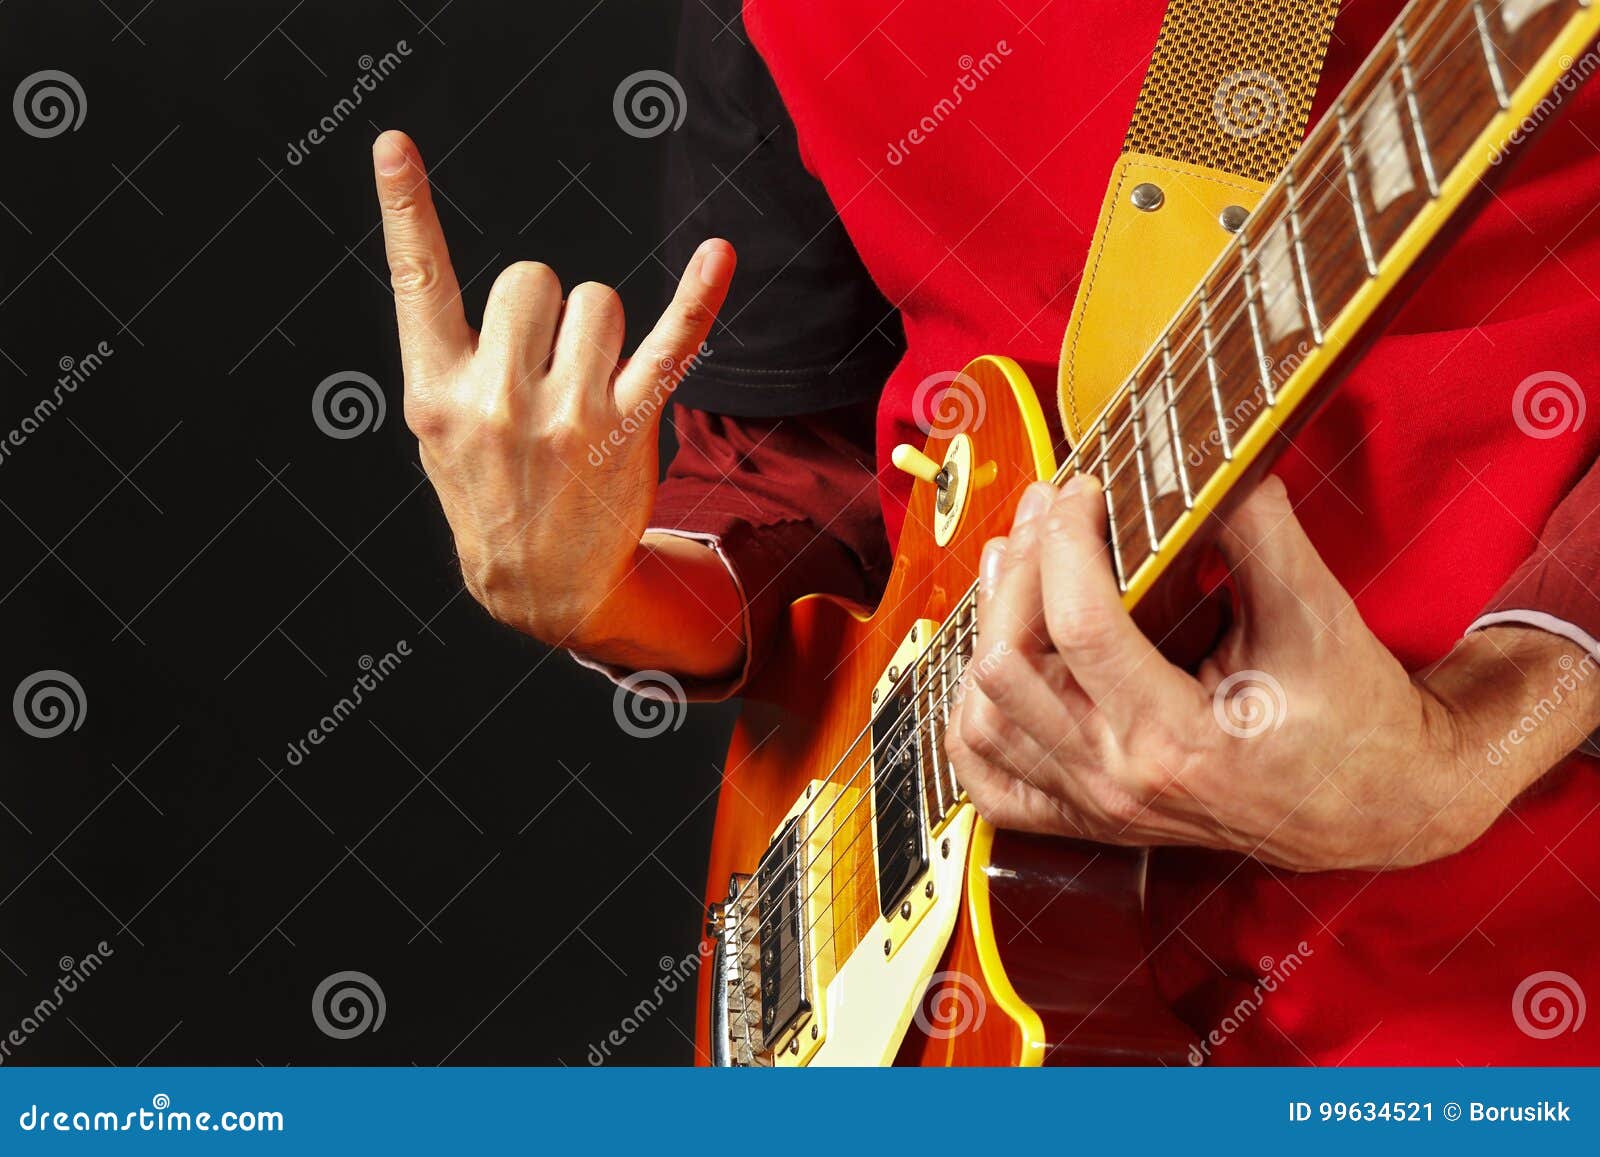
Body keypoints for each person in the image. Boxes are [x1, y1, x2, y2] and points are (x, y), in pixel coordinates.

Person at [374, 0, 1600, 1062]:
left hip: (1495, 976)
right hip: (972, 990)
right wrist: (600, 586)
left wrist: (1475, 742)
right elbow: (801, 462)